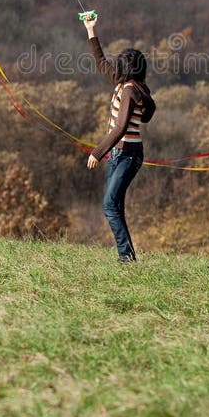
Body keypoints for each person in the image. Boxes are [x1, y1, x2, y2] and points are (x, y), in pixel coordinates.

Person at [82, 14, 156, 262]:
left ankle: (127, 258)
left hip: (128, 155)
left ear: (127, 69)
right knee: (115, 204)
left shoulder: (130, 91)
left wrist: (97, 152)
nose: (115, 66)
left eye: (120, 63)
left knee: (109, 205)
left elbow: (121, 127)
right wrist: (91, 30)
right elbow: (101, 62)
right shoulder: (124, 83)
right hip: (117, 154)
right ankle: (127, 257)